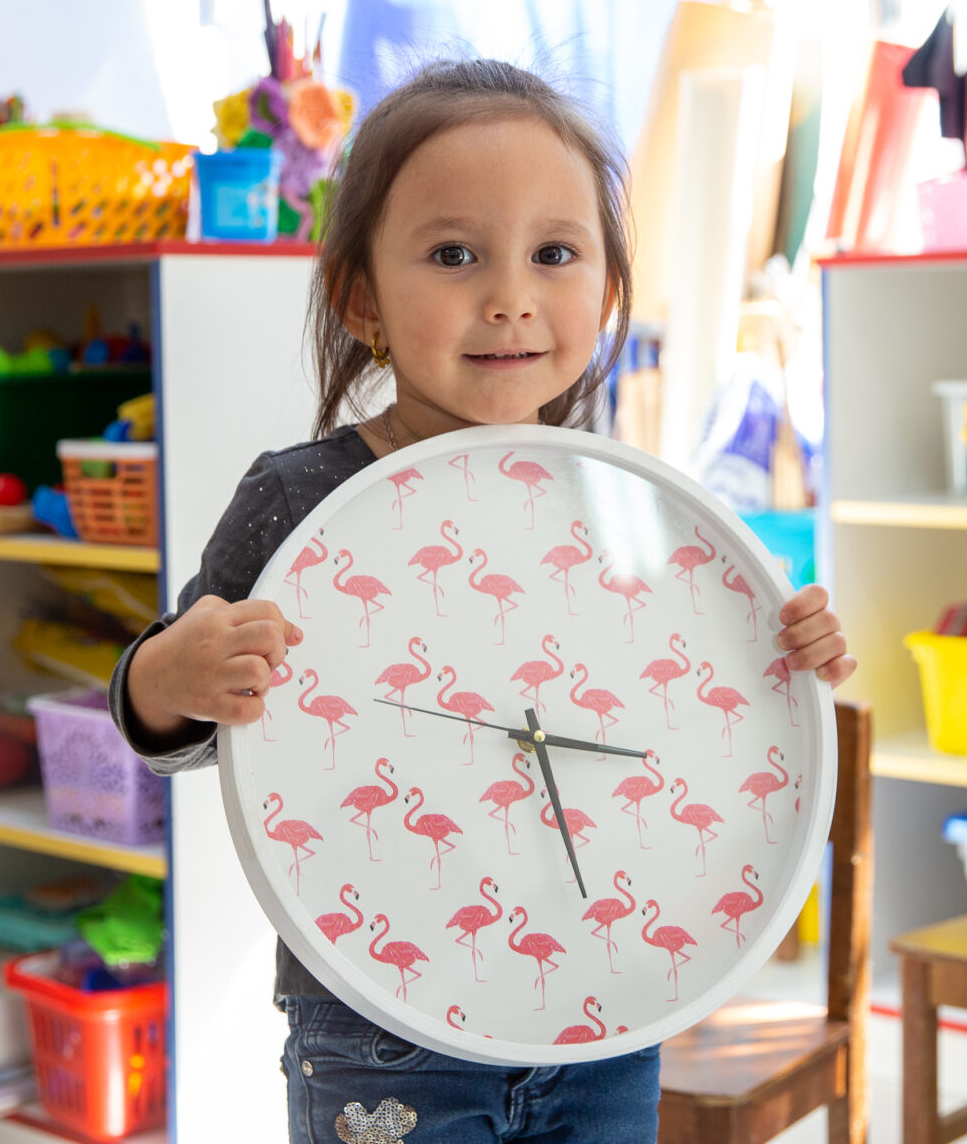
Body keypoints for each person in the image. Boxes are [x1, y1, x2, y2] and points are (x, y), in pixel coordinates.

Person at [110, 58, 856, 1143]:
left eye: (553, 254)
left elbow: (674, 706)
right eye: (454, 254)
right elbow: (179, 735)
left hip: (602, 1010)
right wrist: (165, 676)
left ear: (603, 292)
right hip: (375, 1020)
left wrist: (775, 653)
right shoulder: (302, 499)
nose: (509, 295)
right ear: (361, 297)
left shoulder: (622, 504)